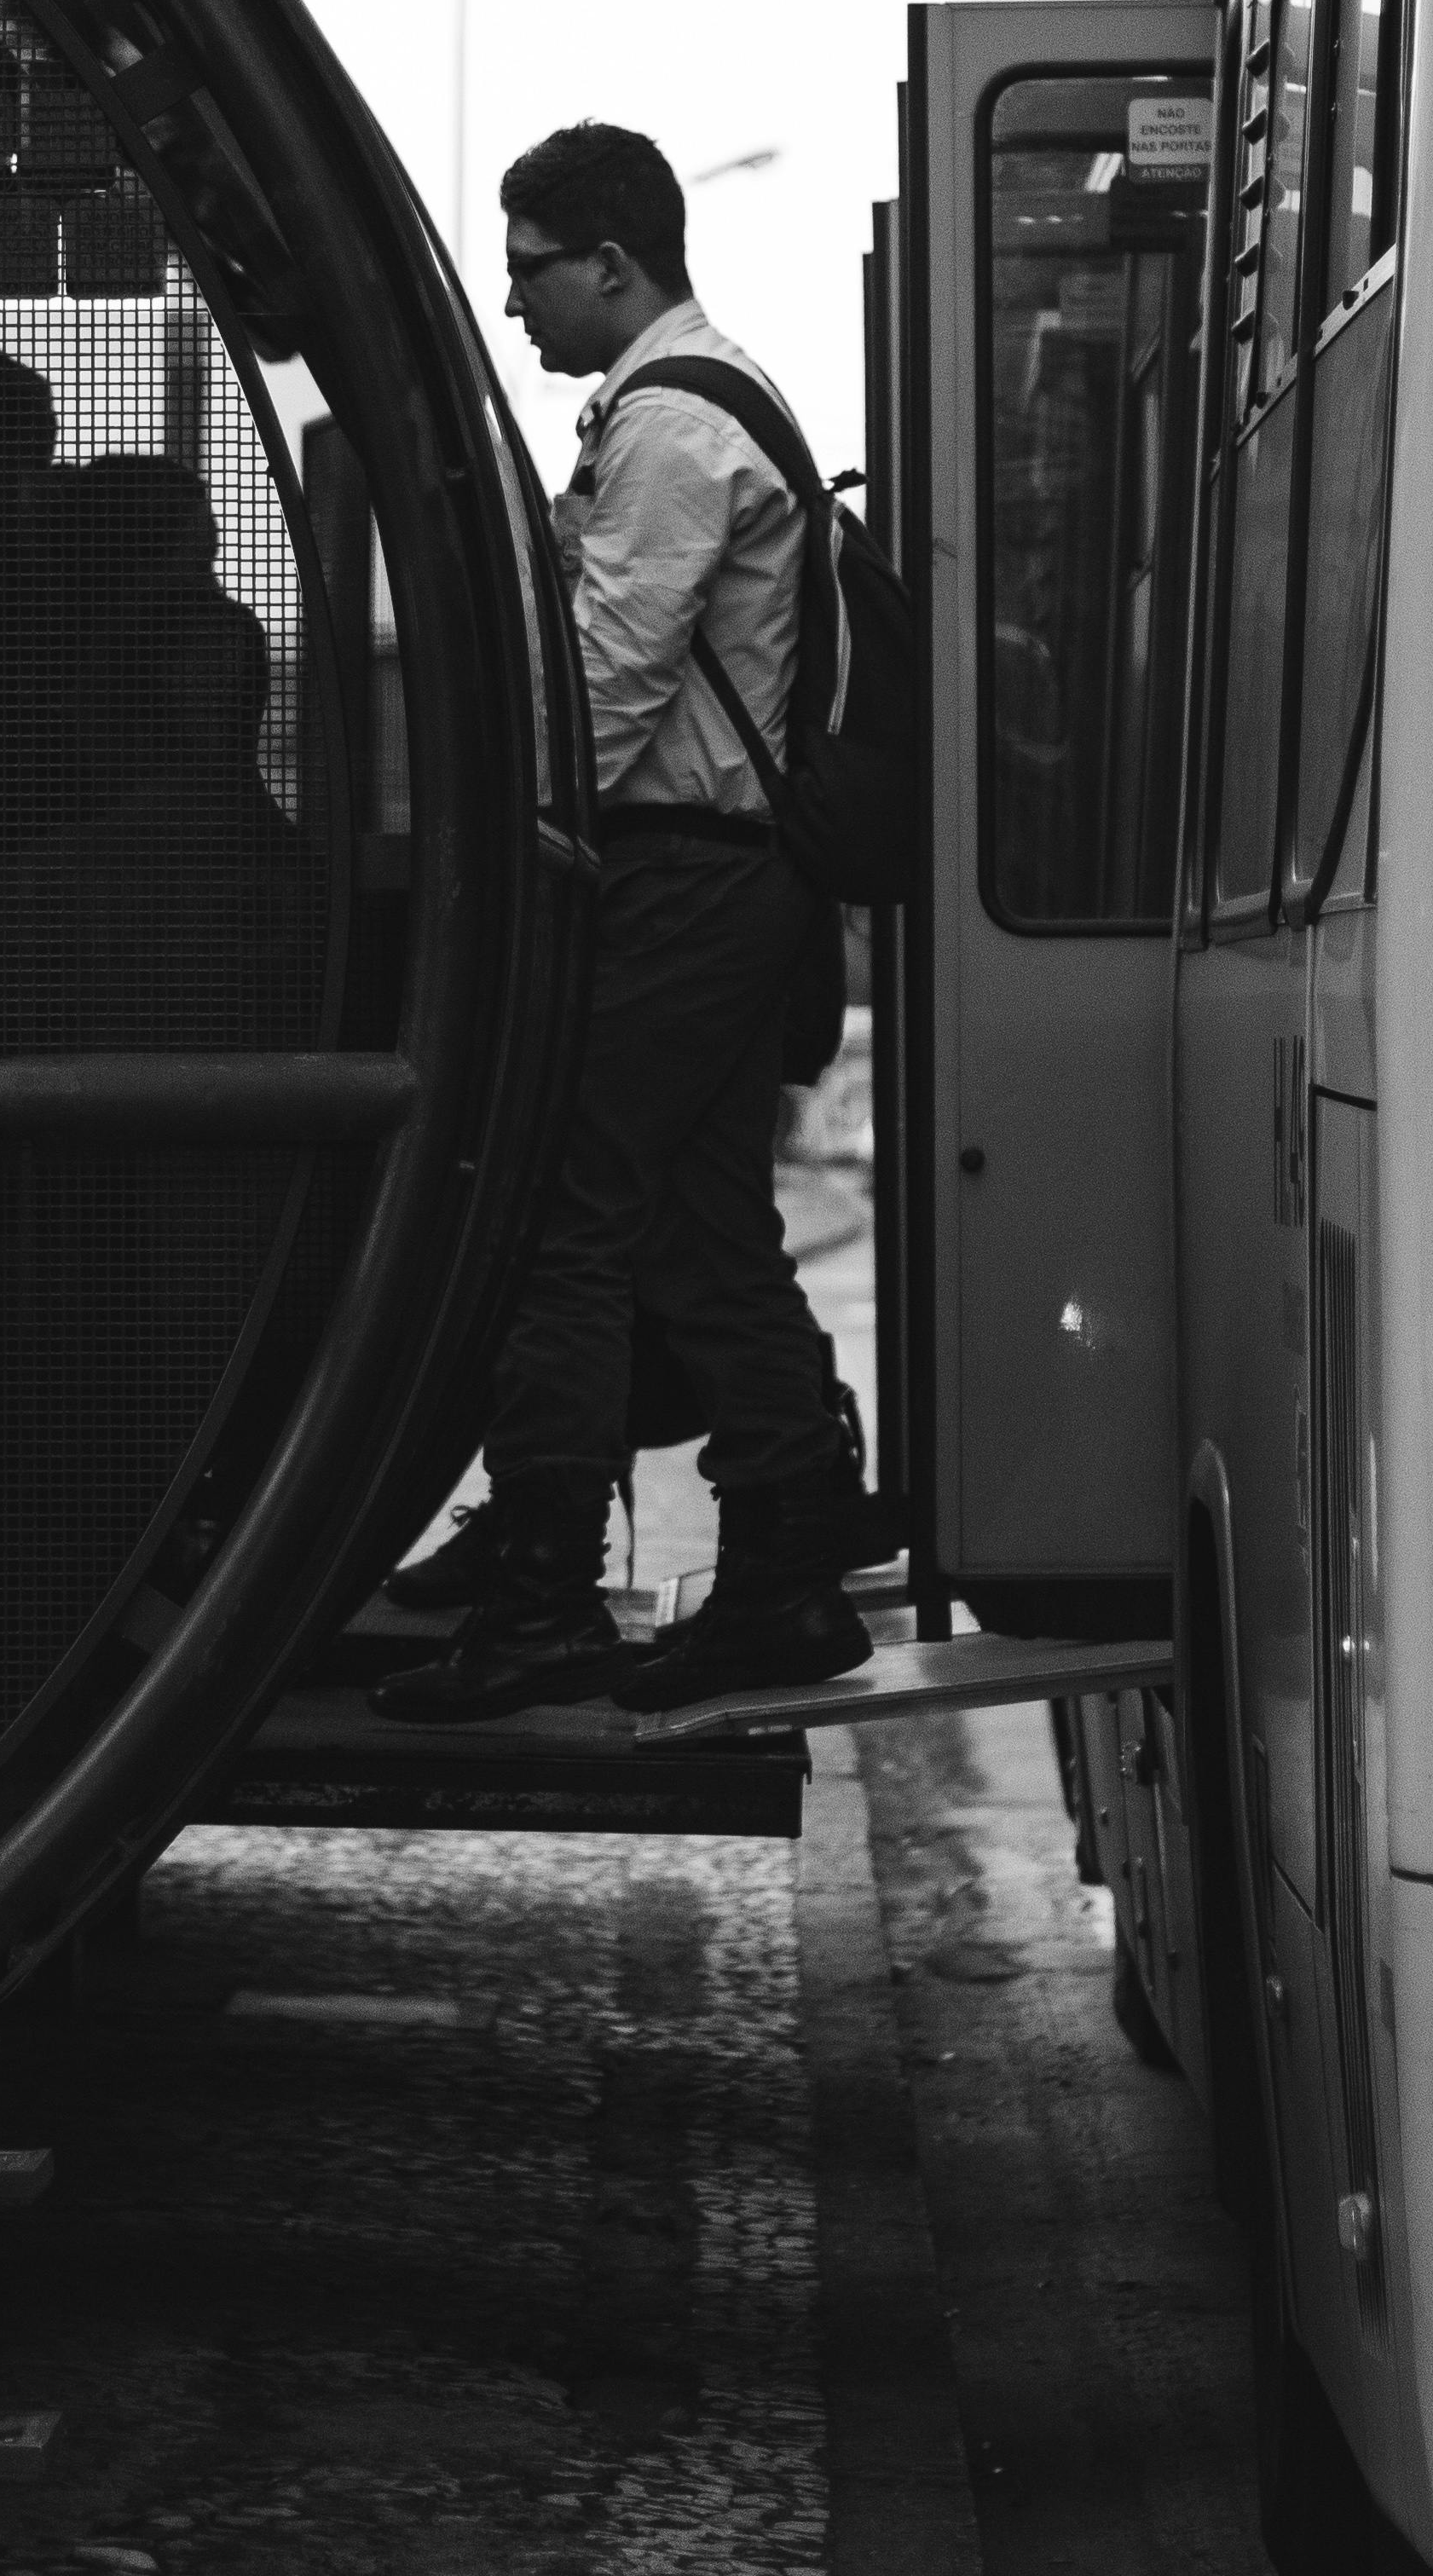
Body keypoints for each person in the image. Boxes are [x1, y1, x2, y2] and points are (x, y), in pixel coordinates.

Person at [375, 122, 873, 1725]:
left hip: (677, 875)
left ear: (609, 262)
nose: (512, 303)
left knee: (560, 1217)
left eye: (527, 267)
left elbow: (603, 690)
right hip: (726, 885)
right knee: (699, 1223)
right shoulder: (692, 406)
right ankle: (789, 1562)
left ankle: (539, 1591)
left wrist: (493, 852)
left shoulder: (668, 429)